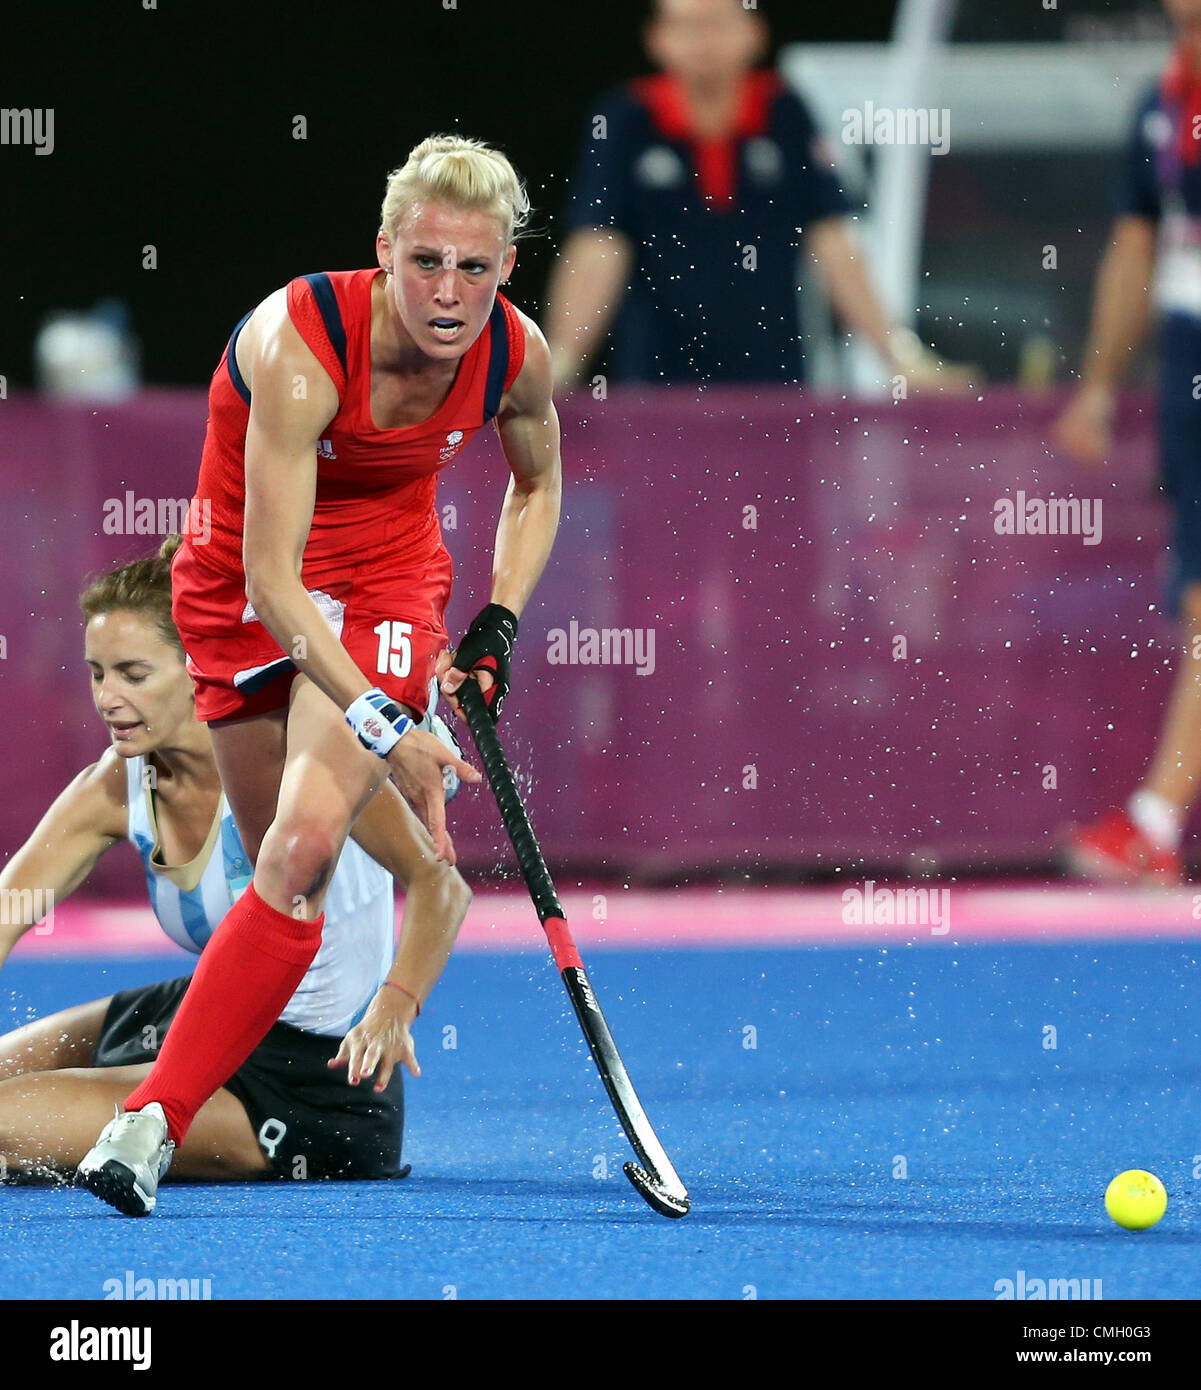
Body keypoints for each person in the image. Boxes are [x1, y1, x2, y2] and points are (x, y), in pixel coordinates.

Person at [75, 133, 563, 1215]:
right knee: (274, 875)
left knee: (298, 850)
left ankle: (148, 1119)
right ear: (384, 249)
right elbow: (278, 583)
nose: (449, 293)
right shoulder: (301, 339)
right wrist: (393, 731)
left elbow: (536, 486)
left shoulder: (515, 357)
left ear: (506, 269)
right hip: (247, 587)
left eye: (475, 268)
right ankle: (267, 1021)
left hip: (388, 581)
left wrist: (497, 623)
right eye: (427, 262)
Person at [0, 542, 470, 1192]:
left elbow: (439, 885)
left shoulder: (301, 770)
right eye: (96, 672)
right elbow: (6, 911)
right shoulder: (116, 784)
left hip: (309, 1082)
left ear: (199, 668)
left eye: (133, 674)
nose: (107, 697)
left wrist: (396, 1005)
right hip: (201, 1016)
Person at [546, 0, 964, 389]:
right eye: (688, 26)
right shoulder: (625, 118)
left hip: (776, 388)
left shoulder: (786, 113)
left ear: (754, 32)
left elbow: (834, 245)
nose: (705, 41)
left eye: (719, 23)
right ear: (657, 38)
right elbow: (599, 246)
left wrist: (898, 355)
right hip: (657, 388)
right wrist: (562, 360)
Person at [1056, 0, 1201, 885]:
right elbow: (1134, 248)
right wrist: (1099, 386)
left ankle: (1155, 818)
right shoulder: (1159, 103)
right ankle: (1155, 818)